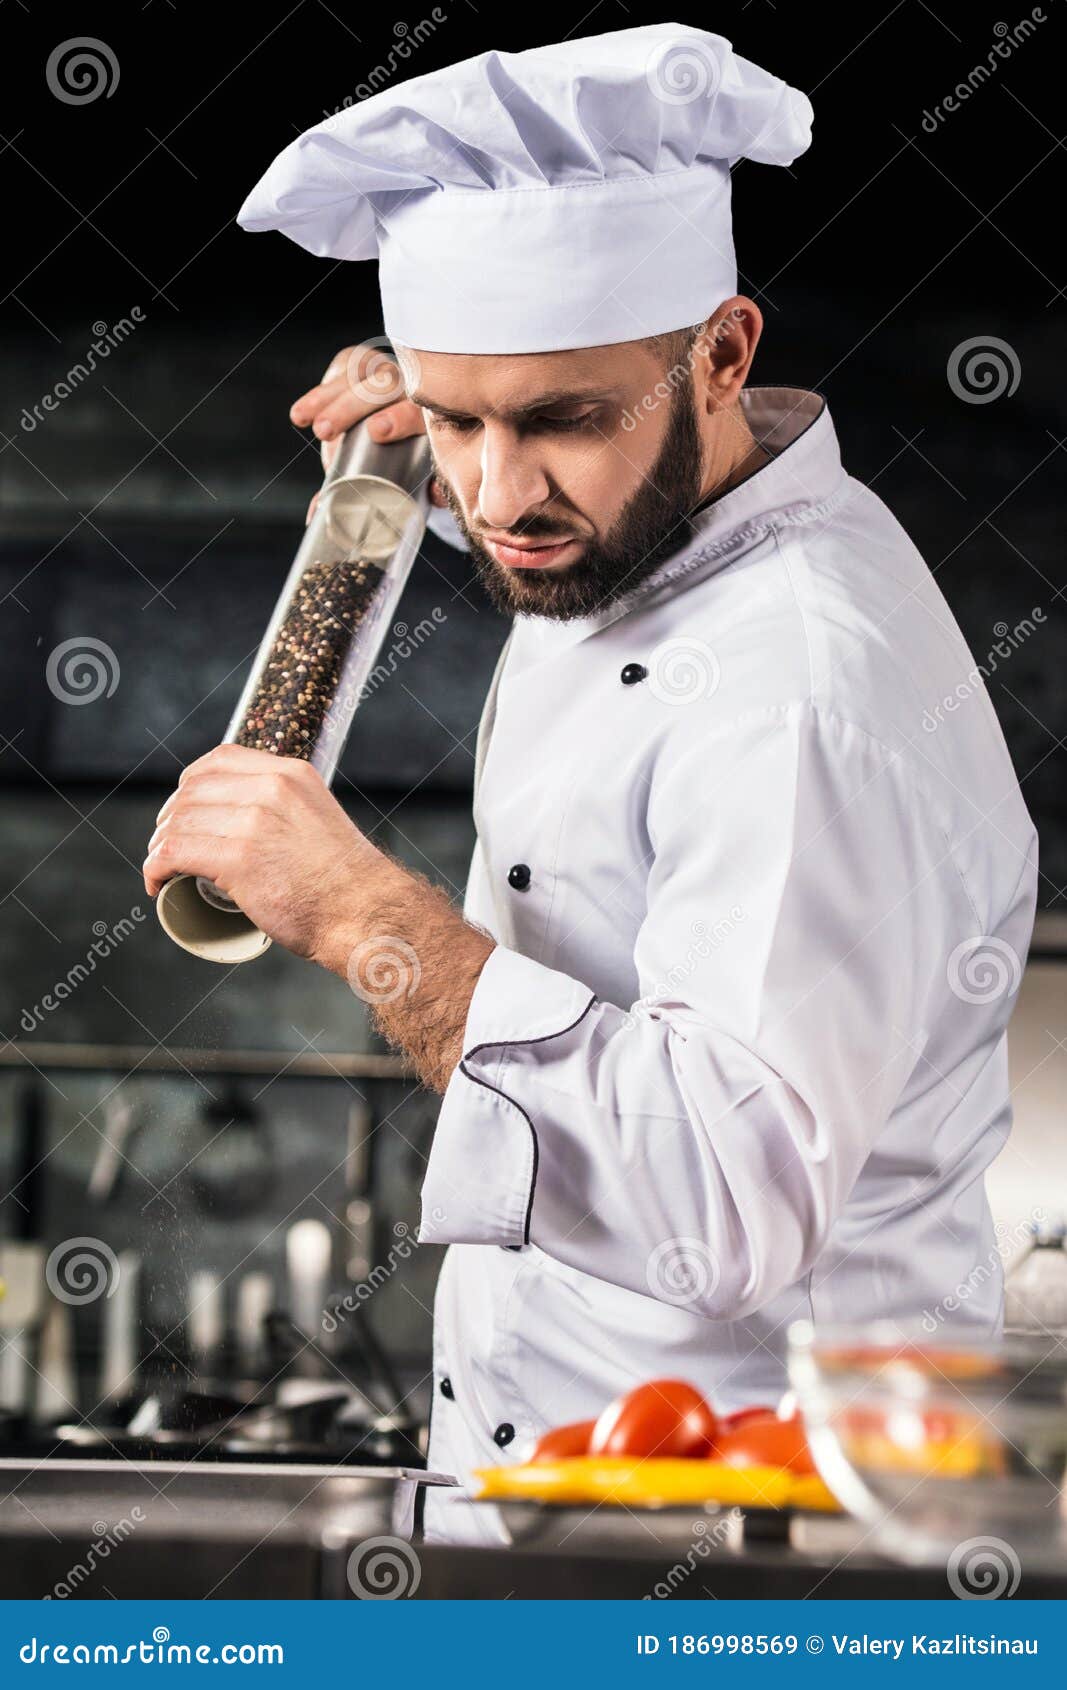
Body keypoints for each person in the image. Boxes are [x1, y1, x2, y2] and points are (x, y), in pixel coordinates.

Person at [144, 25, 1038, 1544]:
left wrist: (365, 917)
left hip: (752, 1542)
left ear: (723, 355)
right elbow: (565, 525)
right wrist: (429, 438)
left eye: (561, 417)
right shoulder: (675, 520)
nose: (500, 494)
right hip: (558, 1507)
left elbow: (722, 1200)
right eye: (458, 420)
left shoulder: (797, 696)